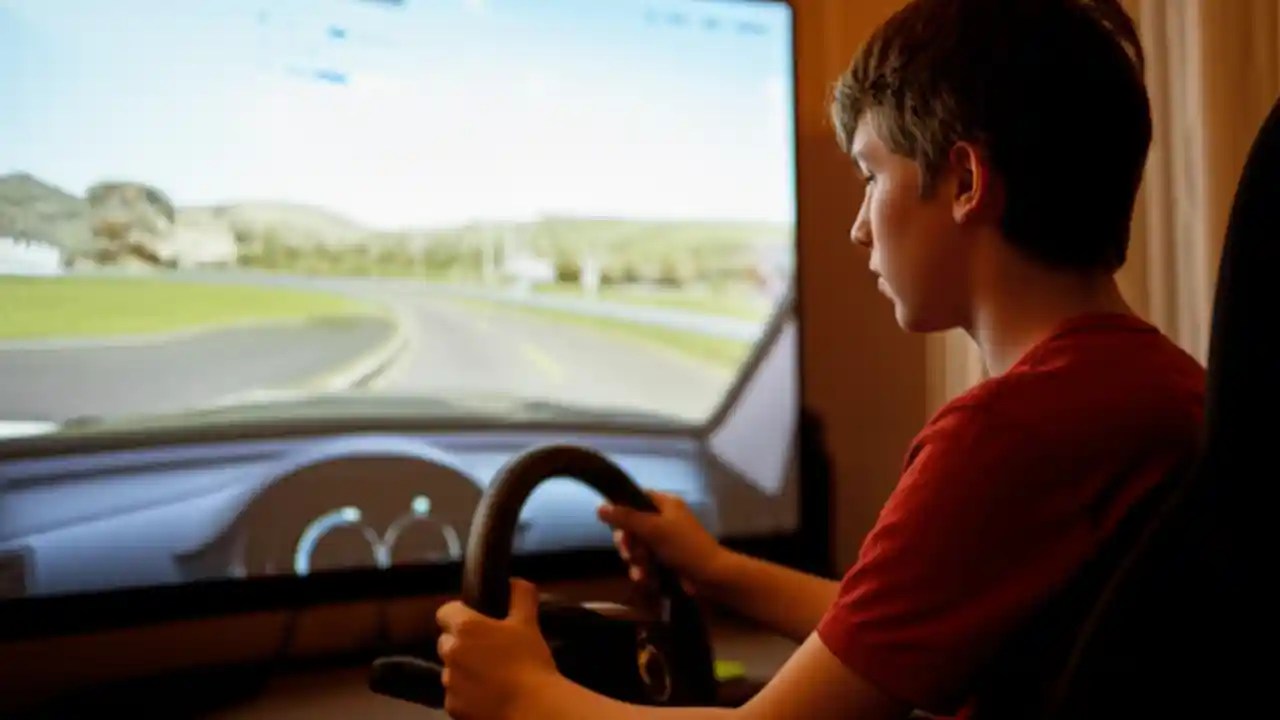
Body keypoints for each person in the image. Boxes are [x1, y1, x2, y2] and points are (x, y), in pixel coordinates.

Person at [432, 0, 1206, 718]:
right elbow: (897, 628)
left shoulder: (1006, 435)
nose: (860, 228)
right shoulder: (1165, 390)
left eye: (872, 175)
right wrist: (718, 569)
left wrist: (523, 694)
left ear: (967, 181)